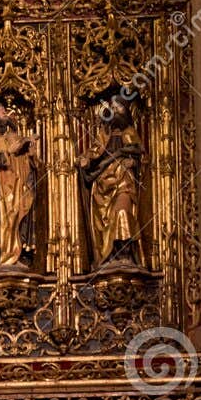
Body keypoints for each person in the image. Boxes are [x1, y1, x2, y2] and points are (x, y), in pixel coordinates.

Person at [0, 98, 39, 273]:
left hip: (19, 185)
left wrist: (31, 154)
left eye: (4, 109)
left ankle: (18, 256)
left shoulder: (13, 138)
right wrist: (7, 153)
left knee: (20, 218)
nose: (3, 111)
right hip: (0, 188)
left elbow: (31, 164)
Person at [81, 96, 145, 270]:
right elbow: (94, 151)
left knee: (122, 212)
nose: (115, 111)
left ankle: (125, 254)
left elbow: (140, 154)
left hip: (123, 180)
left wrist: (132, 162)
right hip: (103, 182)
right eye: (113, 108)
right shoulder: (104, 133)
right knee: (104, 219)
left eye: (119, 108)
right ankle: (109, 256)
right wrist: (85, 160)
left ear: (126, 111)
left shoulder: (130, 132)